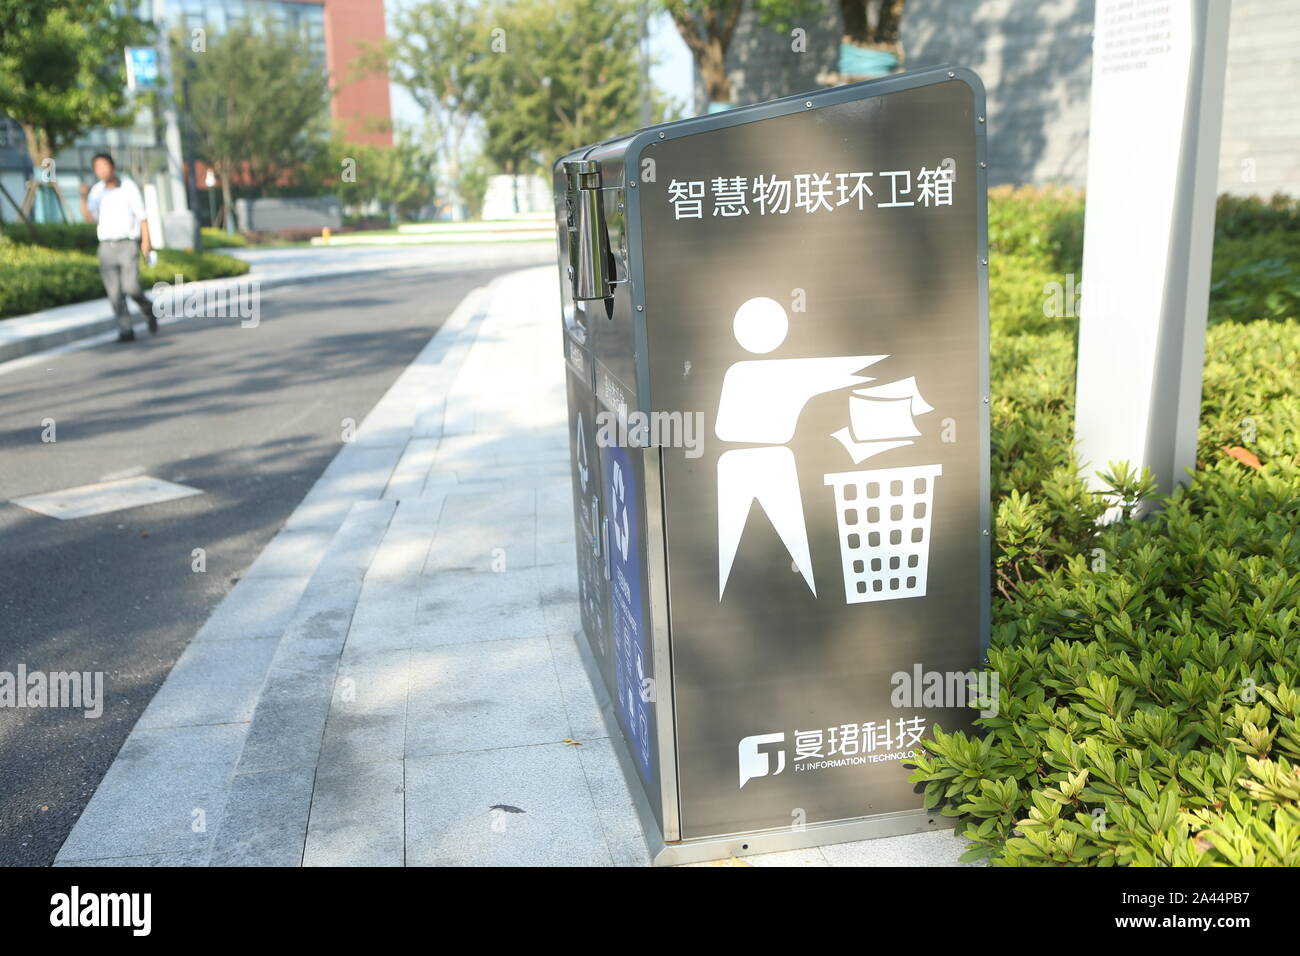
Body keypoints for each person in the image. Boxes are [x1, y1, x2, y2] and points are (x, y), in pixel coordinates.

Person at [79, 153, 156, 342]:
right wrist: (82, 198)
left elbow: (142, 217)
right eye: (97, 167)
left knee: (132, 288)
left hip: (127, 244)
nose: (102, 170)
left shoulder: (128, 187)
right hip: (106, 246)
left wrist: (146, 242)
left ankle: (148, 309)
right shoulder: (96, 191)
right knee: (114, 293)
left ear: (112, 166)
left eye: (104, 165)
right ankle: (125, 330)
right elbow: (90, 218)